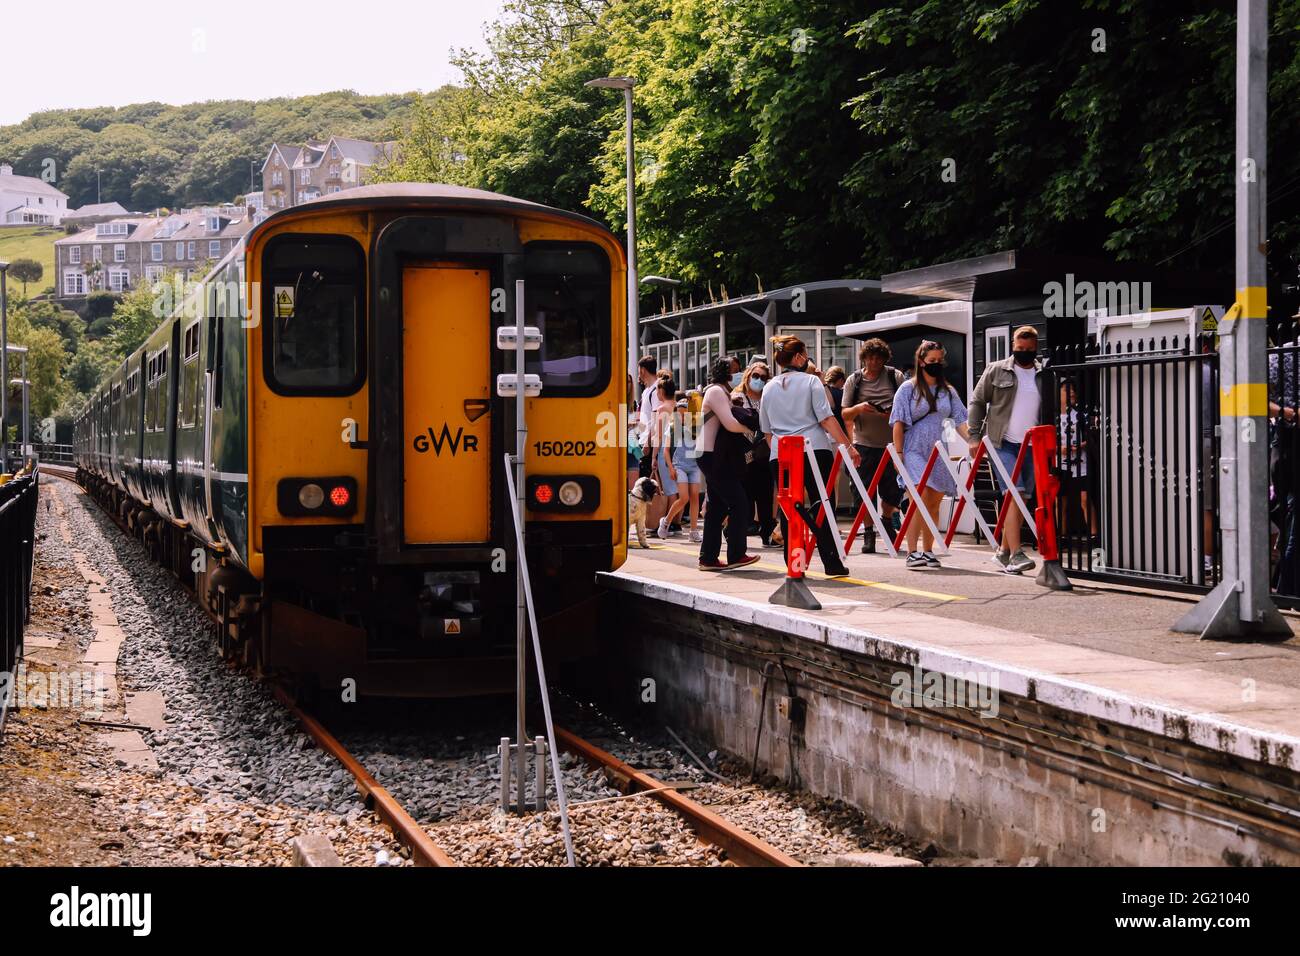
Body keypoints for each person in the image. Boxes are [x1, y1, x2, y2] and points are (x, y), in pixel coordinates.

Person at [760, 335, 859, 577]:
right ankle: (831, 562)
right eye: (804, 354)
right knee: (822, 505)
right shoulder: (811, 383)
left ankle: (794, 562)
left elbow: (766, 430)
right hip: (814, 450)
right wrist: (848, 446)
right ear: (798, 357)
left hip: (781, 453)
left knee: (788, 508)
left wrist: (778, 449)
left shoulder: (769, 387)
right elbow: (826, 419)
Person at [967, 326, 1048, 574]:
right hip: (1002, 442)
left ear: (1035, 348)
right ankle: (1016, 554)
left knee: (1021, 498)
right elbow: (978, 402)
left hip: (1032, 443)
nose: (1022, 352)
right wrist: (973, 437)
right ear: (1013, 345)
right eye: (1018, 348)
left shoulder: (1043, 373)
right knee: (1014, 493)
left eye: (1028, 349)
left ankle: (1003, 551)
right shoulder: (996, 369)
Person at [890, 341, 971, 569]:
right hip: (913, 448)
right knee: (918, 497)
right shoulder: (908, 388)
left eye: (939, 361)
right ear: (921, 362)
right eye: (931, 361)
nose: (936, 364)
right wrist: (898, 454)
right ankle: (912, 551)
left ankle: (927, 550)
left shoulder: (948, 391)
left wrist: (972, 442)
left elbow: (959, 420)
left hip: (938, 450)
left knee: (934, 503)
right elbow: (898, 422)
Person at [841, 339, 907, 553]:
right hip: (864, 444)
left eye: (879, 358)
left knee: (893, 490)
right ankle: (868, 532)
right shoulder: (855, 380)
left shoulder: (895, 377)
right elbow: (844, 413)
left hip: (891, 445)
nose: (874, 362)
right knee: (863, 491)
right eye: (870, 357)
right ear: (864, 358)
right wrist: (860, 408)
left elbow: (906, 407)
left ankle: (886, 520)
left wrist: (891, 413)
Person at [697, 358, 761, 571]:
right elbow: (731, 424)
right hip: (711, 455)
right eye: (735, 370)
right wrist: (751, 430)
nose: (738, 373)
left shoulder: (721, 393)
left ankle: (708, 558)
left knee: (717, 507)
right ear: (725, 372)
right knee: (739, 502)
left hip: (711, 455)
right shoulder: (715, 391)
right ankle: (736, 554)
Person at [737, 362, 778, 547]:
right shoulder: (737, 397)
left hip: (764, 453)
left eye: (763, 377)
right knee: (745, 497)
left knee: (765, 496)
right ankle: (734, 531)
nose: (759, 380)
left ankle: (767, 532)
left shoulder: (768, 398)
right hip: (743, 453)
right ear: (748, 375)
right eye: (756, 375)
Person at [662, 391, 703, 543]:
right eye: (679, 414)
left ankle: (693, 531)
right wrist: (671, 468)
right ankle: (666, 522)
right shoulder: (672, 427)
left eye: (684, 413)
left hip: (694, 466)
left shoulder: (696, 427)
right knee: (684, 497)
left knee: (694, 498)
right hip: (679, 465)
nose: (681, 417)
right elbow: (666, 450)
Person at [651, 377, 681, 539]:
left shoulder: (662, 409)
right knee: (678, 488)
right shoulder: (679, 407)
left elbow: (658, 437)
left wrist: (654, 457)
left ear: (661, 391)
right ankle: (676, 522)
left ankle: (668, 524)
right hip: (680, 452)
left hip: (666, 451)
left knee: (670, 489)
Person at [635, 356, 662, 479]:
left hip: (651, 444)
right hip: (644, 441)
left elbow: (656, 418)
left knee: (653, 483)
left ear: (643, 370)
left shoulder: (656, 390)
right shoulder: (647, 391)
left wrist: (647, 442)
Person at [823, 366, 847, 431]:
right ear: (840, 380)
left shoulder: (824, 391)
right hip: (841, 428)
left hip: (828, 429)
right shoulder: (842, 393)